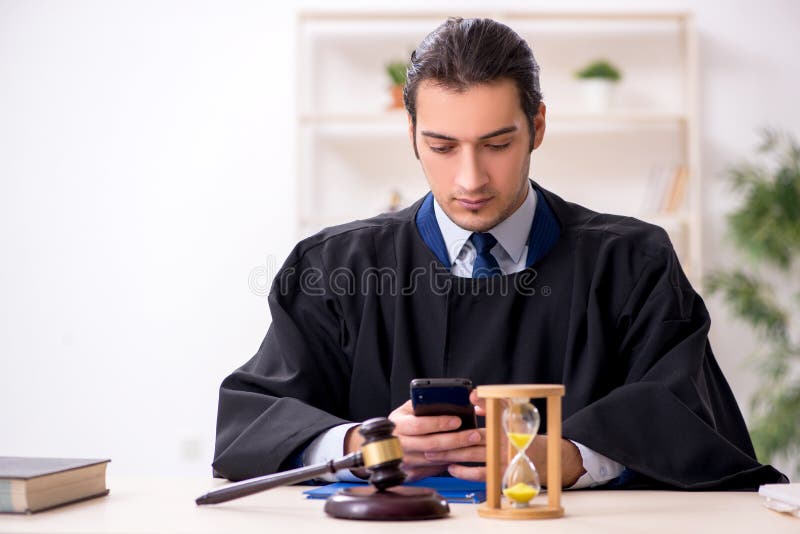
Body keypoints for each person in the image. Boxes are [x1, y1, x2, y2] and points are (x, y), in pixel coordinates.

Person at [212, 17, 788, 490]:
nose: (470, 178)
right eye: (442, 146)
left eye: (497, 144)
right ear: (411, 133)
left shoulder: (633, 264)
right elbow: (250, 423)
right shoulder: (333, 269)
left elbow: (691, 415)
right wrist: (361, 443)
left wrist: (576, 457)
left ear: (536, 127)